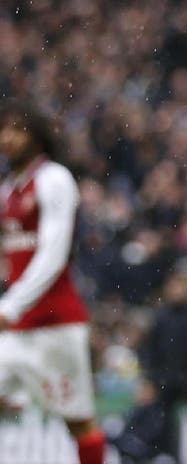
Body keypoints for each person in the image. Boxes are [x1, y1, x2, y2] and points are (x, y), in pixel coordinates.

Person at [0, 101, 108, 464]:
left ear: (37, 137)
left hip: (55, 324)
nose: (8, 138)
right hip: (13, 328)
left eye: (17, 130)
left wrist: (11, 305)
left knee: (79, 423)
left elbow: (53, 253)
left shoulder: (54, 179)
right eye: (4, 131)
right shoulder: (7, 192)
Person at [141, 269, 187, 460]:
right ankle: (170, 456)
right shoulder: (161, 318)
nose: (177, 291)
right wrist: (152, 378)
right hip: (166, 379)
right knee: (164, 422)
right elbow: (151, 350)